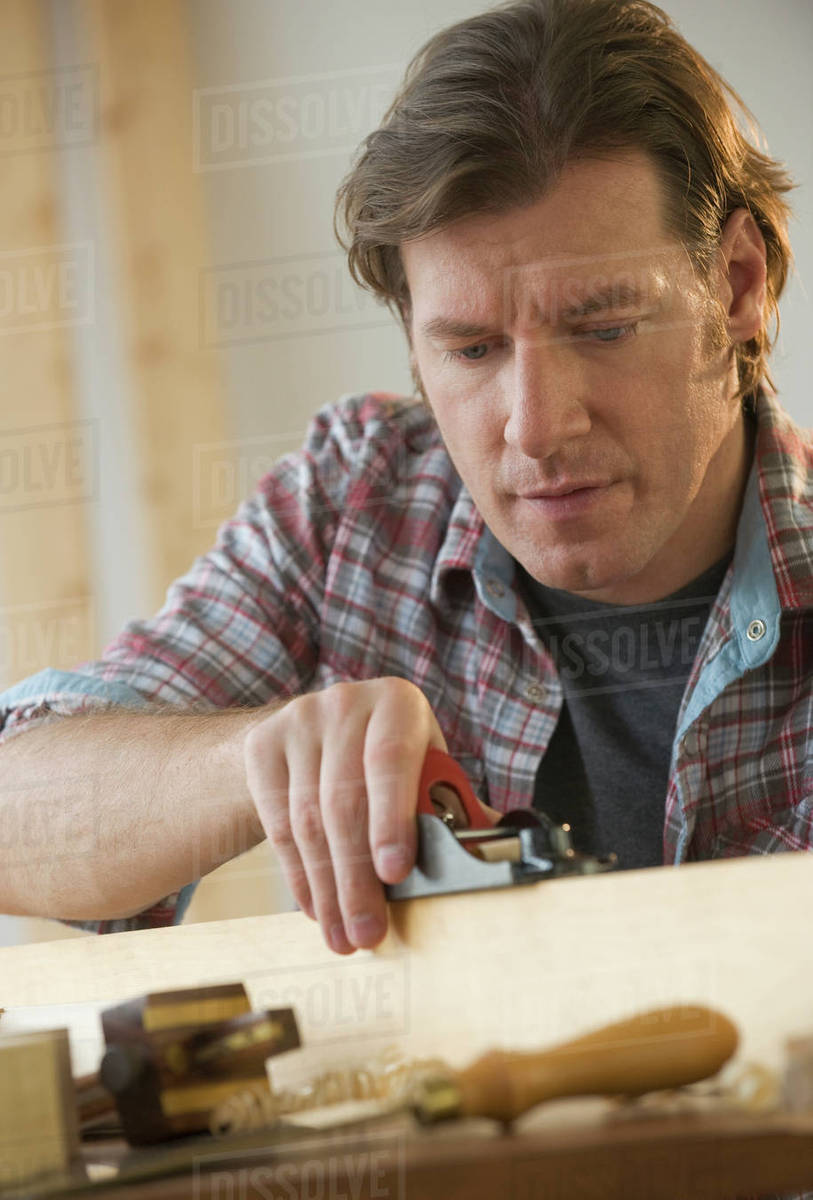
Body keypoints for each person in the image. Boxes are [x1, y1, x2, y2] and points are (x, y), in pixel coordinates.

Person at [0, 0, 809, 957]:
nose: (537, 425)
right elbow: (16, 816)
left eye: (603, 328)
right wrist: (260, 760)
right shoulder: (355, 503)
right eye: (470, 349)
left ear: (739, 284)